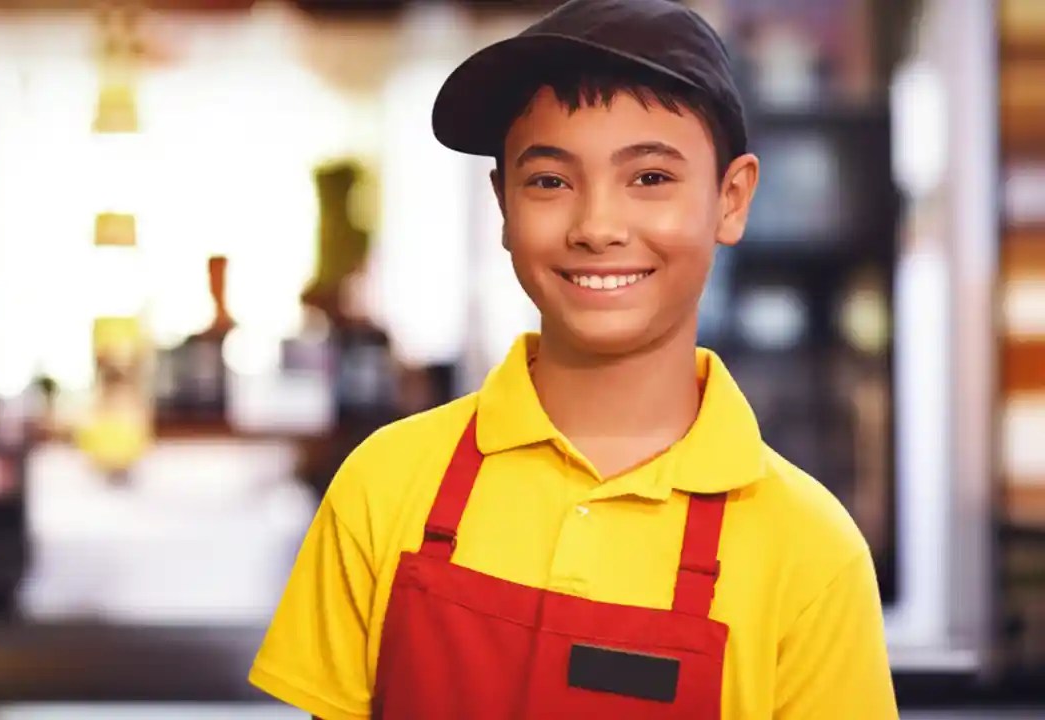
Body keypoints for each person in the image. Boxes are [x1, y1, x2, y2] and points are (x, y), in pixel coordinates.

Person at [249, 0, 898, 717]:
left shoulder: (811, 552)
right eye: (550, 181)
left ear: (731, 199)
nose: (596, 227)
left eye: (650, 178)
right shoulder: (384, 485)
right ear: (503, 205)